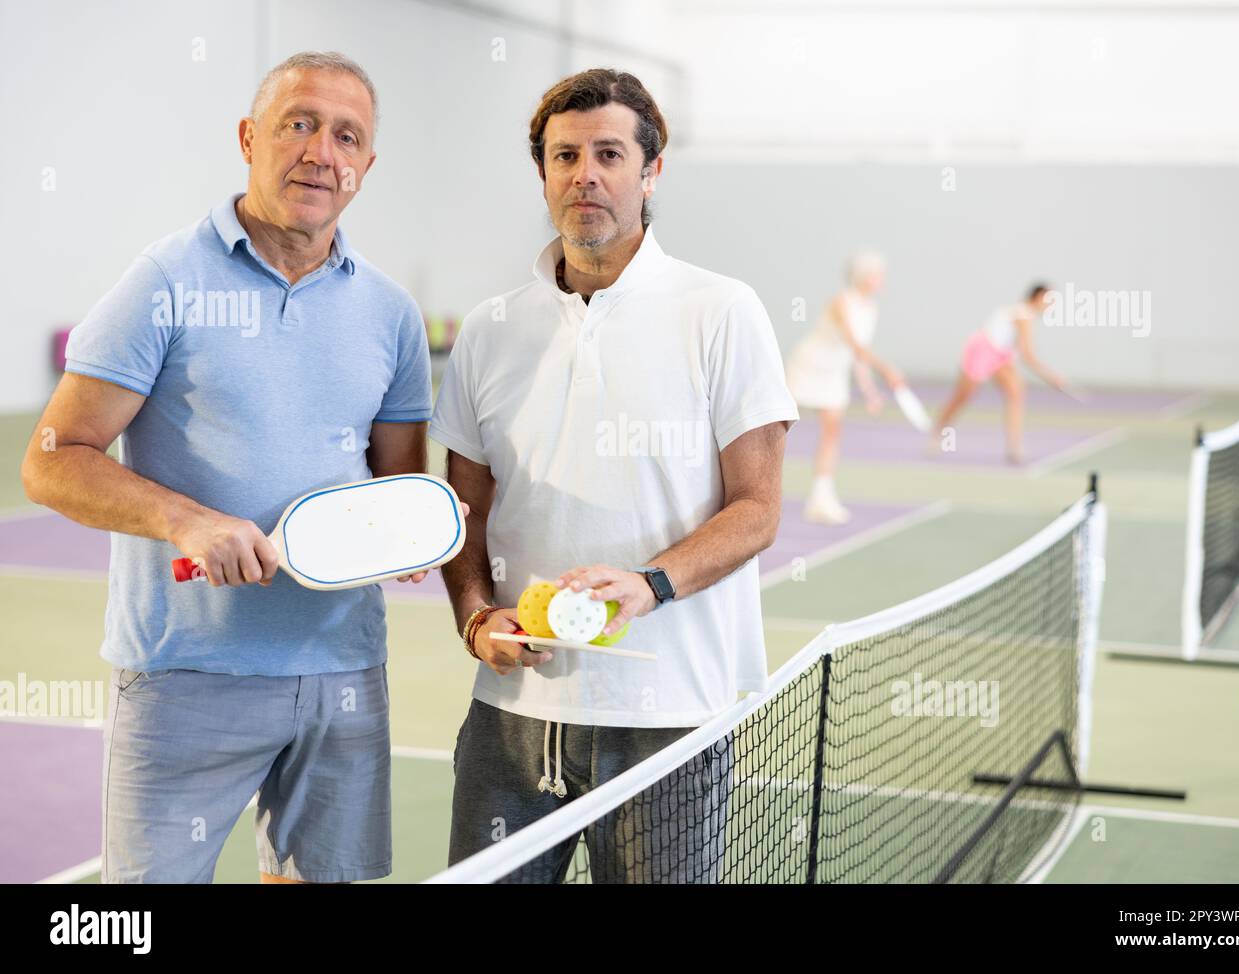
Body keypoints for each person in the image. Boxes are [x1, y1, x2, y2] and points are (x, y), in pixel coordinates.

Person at [20, 52, 435, 883]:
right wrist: (188, 520)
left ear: (366, 168)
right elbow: (52, 462)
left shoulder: (390, 313)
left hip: (341, 673)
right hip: (185, 677)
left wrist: (406, 543)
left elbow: (399, 495)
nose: (322, 150)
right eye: (299, 124)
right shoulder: (164, 281)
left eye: (346, 136)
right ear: (250, 138)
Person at [432, 68, 799, 882]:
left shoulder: (723, 311)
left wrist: (650, 585)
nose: (585, 174)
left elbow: (758, 510)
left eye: (608, 153)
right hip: (511, 721)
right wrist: (472, 618)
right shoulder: (490, 331)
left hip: (667, 718)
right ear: (542, 174)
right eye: (565, 156)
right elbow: (465, 509)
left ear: (651, 171)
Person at [785, 252, 905, 523]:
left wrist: (870, 391)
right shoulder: (841, 302)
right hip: (808, 366)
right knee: (777, 427)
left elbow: (857, 355)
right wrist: (886, 369)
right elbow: (855, 344)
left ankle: (821, 498)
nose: (881, 279)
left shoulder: (872, 309)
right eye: (877, 274)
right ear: (863, 276)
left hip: (834, 373)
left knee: (832, 432)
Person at [932, 283, 1070, 465]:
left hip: (1001, 355)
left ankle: (1014, 448)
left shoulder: (1026, 315)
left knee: (1016, 392)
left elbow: (1014, 348)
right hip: (982, 349)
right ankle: (937, 434)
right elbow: (1028, 355)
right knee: (962, 396)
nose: (1050, 305)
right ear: (1037, 297)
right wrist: (1052, 377)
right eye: (1049, 300)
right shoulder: (1023, 315)